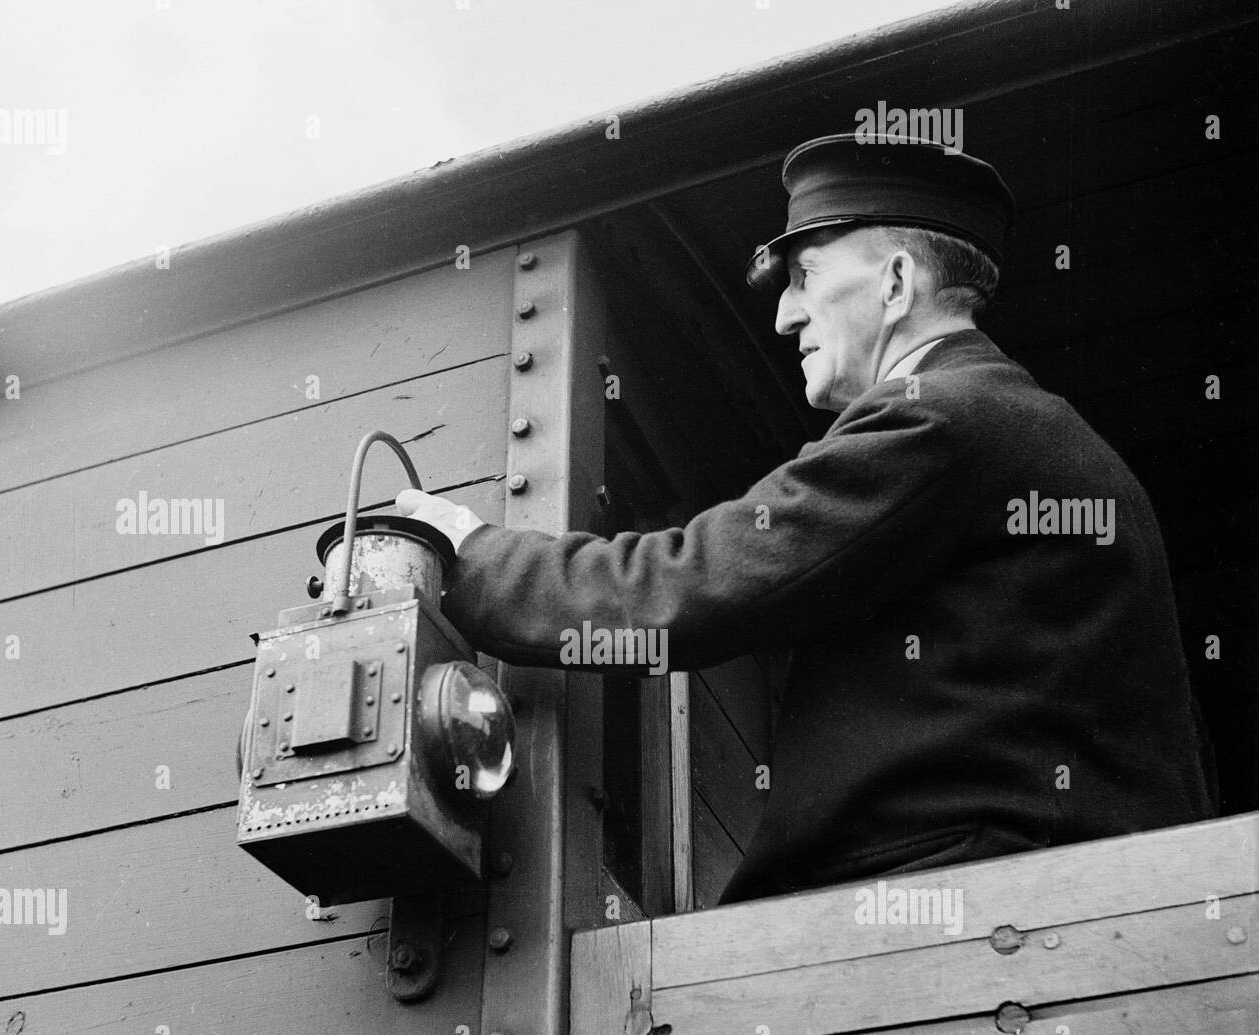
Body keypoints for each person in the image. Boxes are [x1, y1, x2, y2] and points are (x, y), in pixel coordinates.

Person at [396, 133, 1215, 903]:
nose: (785, 316)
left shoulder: (940, 420)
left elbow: (696, 582)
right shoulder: (1016, 422)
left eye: (806, 278)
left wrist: (474, 557)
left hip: (966, 905)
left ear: (896, 285)